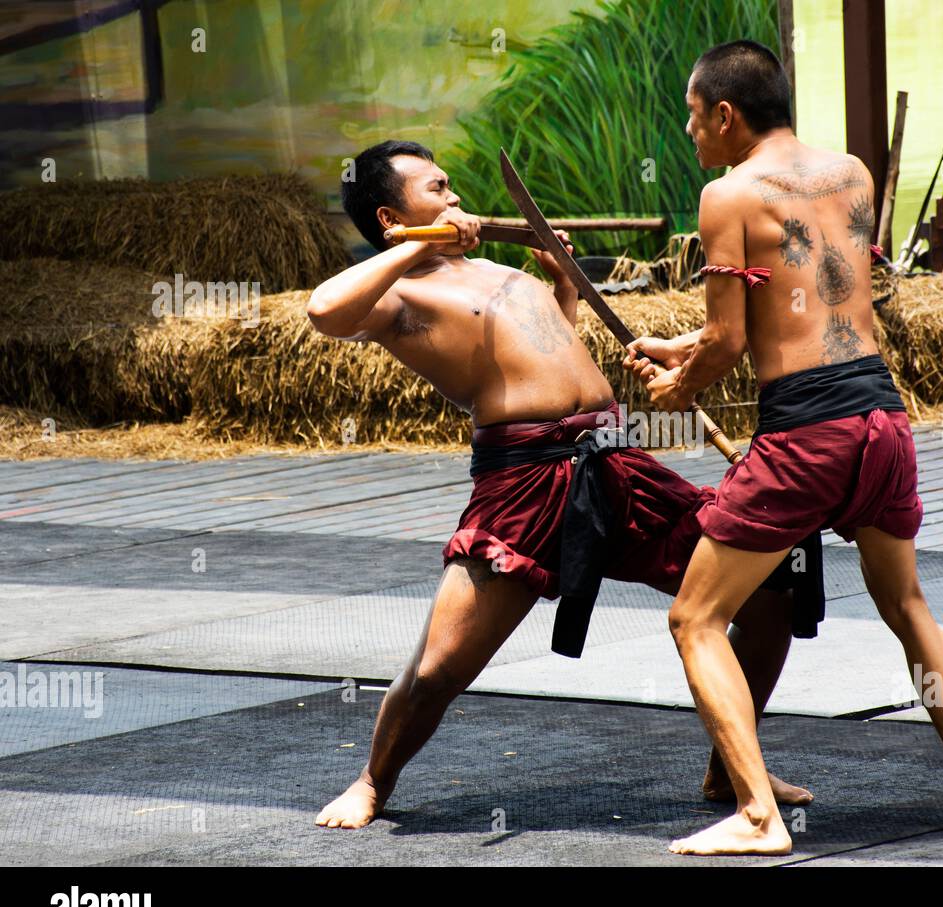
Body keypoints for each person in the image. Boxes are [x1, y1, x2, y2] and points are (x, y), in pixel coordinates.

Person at [308, 140, 809, 829]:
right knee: (437, 669)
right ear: (392, 217)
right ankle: (372, 782)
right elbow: (322, 310)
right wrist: (407, 248)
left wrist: (564, 289)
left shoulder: (490, 268)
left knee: (772, 587)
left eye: (452, 187)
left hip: (615, 465)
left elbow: (550, 355)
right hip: (524, 483)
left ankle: (732, 770)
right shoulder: (399, 294)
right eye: (438, 190)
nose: (455, 198)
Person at [625, 41, 943, 856]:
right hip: (881, 422)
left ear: (725, 116)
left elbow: (730, 341)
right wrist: (675, 344)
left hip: (805, 435)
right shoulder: (853, 174)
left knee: (694, 619)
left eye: (693, 118)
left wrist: (680, 386)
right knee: (908, 606)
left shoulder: (726, 195)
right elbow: (813, 300)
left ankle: (758, 816)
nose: (691, 135)